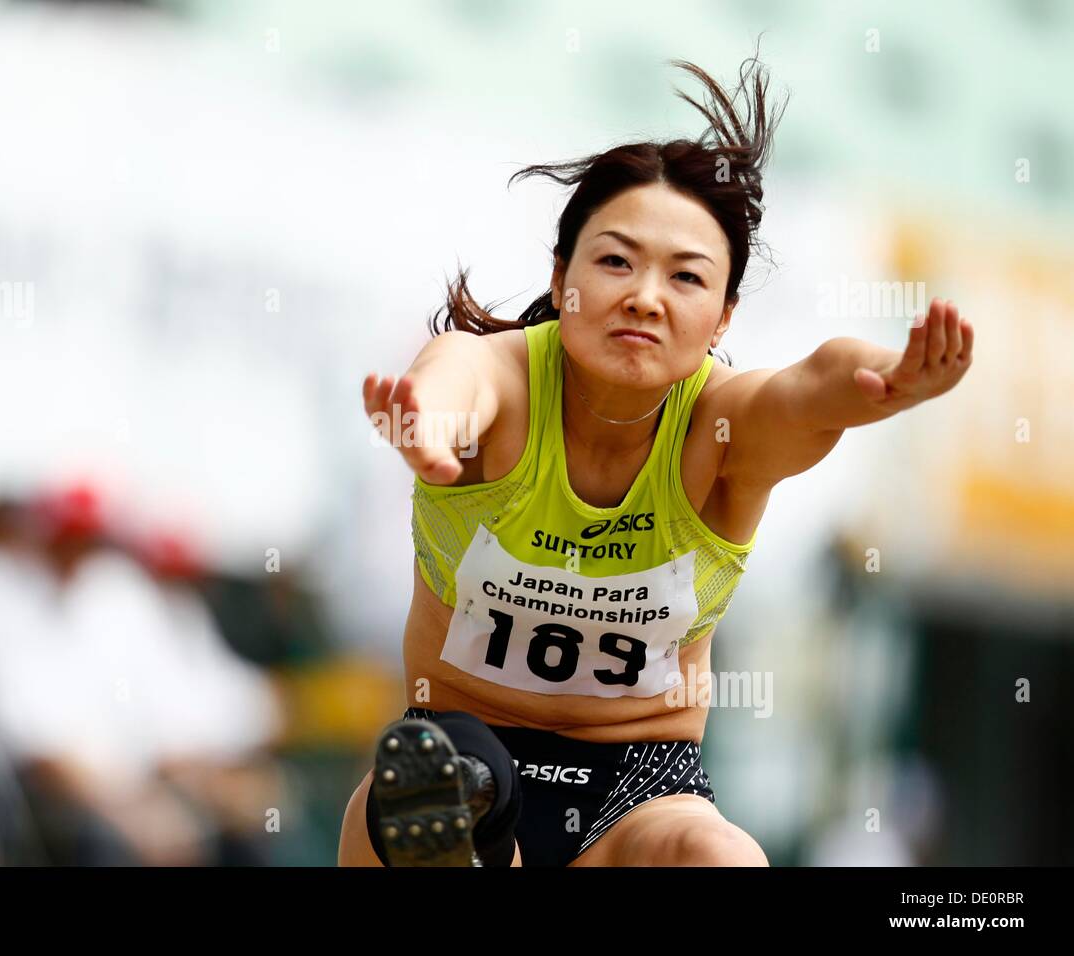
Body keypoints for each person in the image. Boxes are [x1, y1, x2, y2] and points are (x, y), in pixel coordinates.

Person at [338, 53, 974, 867]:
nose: (645, 295)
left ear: (722, 317)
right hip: (453, 758)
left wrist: (887, 382)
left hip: (636, 787)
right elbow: (452, 376)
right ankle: (478, 844)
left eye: (685, 277)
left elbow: (811, 387)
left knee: (723, 859)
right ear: (561, 276)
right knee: (430, 797)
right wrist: (426, 425)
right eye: (614, 262)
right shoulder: (499, 379)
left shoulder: (723, 429)